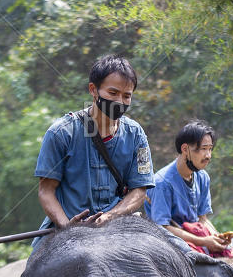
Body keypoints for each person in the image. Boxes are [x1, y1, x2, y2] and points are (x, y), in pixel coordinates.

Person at [33, 54, 156, 247]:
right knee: (33, 275)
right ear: (94, 90)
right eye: (113, 93)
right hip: (65, 231)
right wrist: (68, 228)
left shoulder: (137, 135)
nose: (120, 102)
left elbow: (139, 190)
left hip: (118, 228)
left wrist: (111, 215)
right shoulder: (61, 133)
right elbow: (46, 191)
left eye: (127, 96)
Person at [146, 121, 233, 261]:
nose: (208, 156)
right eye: (203, 149)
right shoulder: (162, 182)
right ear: (185, 149)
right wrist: (203, 242)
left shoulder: (202, 177)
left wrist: (217, 238)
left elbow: (202, 219)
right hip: (175, 245)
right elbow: (163, 228)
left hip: (199, 239)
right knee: (197, 259)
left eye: (210, 149)